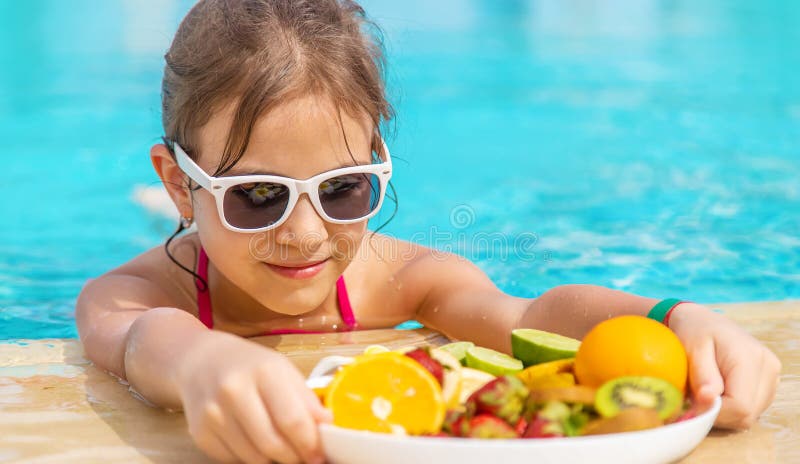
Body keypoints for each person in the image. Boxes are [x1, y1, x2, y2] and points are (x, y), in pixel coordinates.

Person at [75, 1, 781, 463]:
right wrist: (203, 365)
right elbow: (139, 338)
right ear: (180, 181)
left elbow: (528, 318)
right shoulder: (136, 292)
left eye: (343, 188)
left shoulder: (394, 277)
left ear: (377, 165)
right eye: (257, 196)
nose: (306, 235)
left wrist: (670, 318)